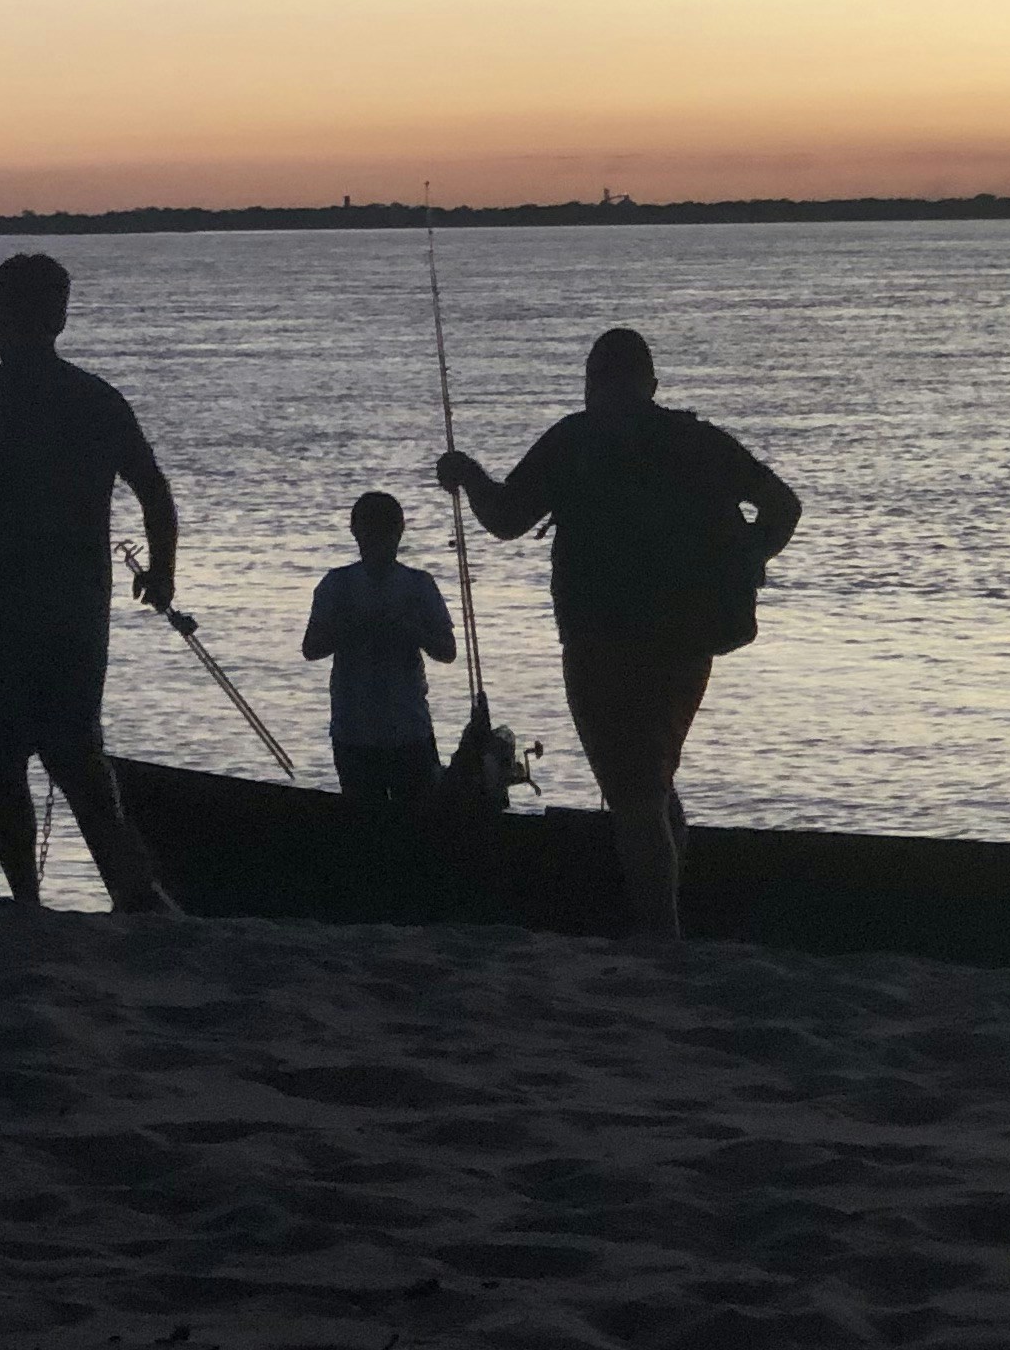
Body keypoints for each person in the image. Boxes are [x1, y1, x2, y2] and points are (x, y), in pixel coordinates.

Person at [438, 327, 797, 943]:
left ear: (590, 383)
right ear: (651, 383)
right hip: (688, 641)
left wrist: (466, 473)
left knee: (634, 793)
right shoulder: (696, 438)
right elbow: (784, 507)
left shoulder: (574, 439)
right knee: (649, 779)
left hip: (599, 640)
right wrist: (745, 558)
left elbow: (504, 519)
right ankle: (668, 924)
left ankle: (662, 941)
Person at [0, 254, 179, 914]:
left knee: (14, 758)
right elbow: (154, 493)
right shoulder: (94, 399)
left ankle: (39, 898)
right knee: (70, 754)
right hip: (63, 603)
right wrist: (161, 571)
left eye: (5, 315)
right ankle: (121, 893)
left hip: (3, 600)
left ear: (45, 320)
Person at [301, 492, 456, 818]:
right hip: (355, 732)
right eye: (369, 532)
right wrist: (353, 629)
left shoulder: (418, 585)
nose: (375, 541)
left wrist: (411, 631)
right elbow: (311, 648)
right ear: (356, 532)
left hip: (408, 730)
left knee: (416, 823)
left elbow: (447, 651)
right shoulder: (336, 585)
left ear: (398, 533)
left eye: (382, 532)